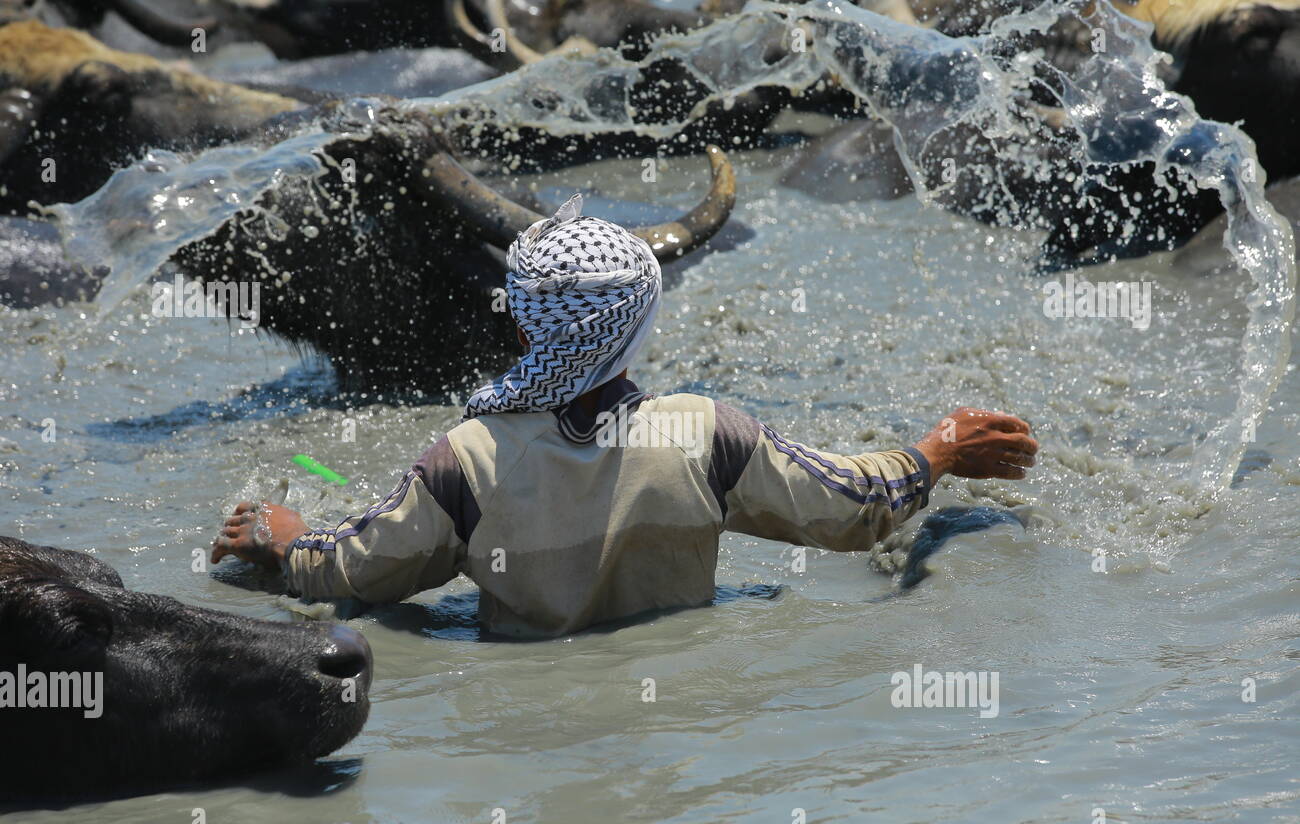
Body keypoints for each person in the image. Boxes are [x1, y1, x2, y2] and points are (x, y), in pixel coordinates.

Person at [212, 195, 1038, 637]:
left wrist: (281, 536)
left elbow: (351, 573)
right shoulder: (707, 434)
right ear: (639, 323)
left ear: (529, 318)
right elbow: (858, 509)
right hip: (680, 713)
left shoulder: (460, 462)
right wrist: (938, 449)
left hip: (526, 716)